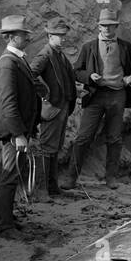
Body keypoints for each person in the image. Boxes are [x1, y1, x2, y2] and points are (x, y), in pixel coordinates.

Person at [60, 8, 131, 190]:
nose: (107, 29)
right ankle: (71, 178)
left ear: (116, 27)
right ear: (99, 27)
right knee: (83, 137)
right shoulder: (88, 47)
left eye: (110, 26)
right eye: (104, 25)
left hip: (118, 95)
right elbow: (76, 71)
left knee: (114, 138)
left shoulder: (124, 46)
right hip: (95, 96)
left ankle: (111, 178)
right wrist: (90, 77)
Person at [0, 15, 46, 234]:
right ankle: (4, 226)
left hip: (20, 129)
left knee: (14, 176)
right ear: (11, 37)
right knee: (9, 177)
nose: (28, 38)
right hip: (13, 132)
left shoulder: (17, 59)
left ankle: (7, 221)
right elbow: (8, 103)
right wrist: (19, 134)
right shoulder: (7, 63)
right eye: (24, 34)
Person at [29, 19, 78, 197]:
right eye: (59, 36)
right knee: (47, 148)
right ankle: (42, 191)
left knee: (54, 147)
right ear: (50, 36)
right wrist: (45, 94)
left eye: (64, 35)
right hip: (53, 108)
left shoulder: (58, 54)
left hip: (62, 106)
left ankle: (52, 187)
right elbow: (29, 75)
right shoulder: (45, 55)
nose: (63, 39)